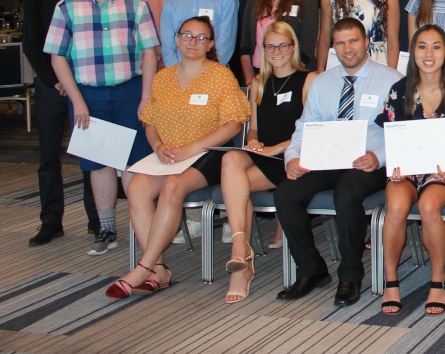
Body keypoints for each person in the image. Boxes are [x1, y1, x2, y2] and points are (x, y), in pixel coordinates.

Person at [104, 16, 249, 299]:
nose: (193, 42)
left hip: (208, 154)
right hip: (170, 155)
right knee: (136, 186)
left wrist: (193, 148)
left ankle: (143, 267)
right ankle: (159, 269)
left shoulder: (221, 75)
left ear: (210, 44)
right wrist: (157, 145)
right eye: (187, 35)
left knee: (173, 186)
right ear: (177, 39)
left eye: (201, 38)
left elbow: (233, 125)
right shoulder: (163, 77)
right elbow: (150, 121)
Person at [276, 18, 403, 306]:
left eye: (353, 41)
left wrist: (379, 156)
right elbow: (304, 127)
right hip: (327, 159)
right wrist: (292, 157)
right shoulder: (322, 82)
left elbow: (402, 130)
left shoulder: (392, 80)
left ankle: (350, 274)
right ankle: (312, 269)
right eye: (340, 43)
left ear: (366, 42)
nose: (348, 49)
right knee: (286, 193)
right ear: (333, 47)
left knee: (346, 194)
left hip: (370, 161)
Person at [45, 0, 159, 256]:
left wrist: (146, 96)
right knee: (99, 163)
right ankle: (106, 229)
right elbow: (57, 57)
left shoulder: (136, 4)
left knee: (136, 161)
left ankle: (141, 226)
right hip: (88, 94)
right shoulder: (67, 7)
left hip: (130, 91)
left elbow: (150, 52)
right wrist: (77, 100)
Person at [375, 24, 445, 315]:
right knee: (396, 206)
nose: (429, 53)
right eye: (422, 47)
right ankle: (390, 280)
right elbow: (390, 136)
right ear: (413, 53)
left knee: (428, 205)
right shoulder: (400, 90)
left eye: (436, 47)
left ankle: (438, 279)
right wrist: (395, 164)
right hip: (407, 170)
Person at [219, 21, 314, 303]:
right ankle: (241, 248)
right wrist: (254, 142)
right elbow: (254, 129)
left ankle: (242, 262)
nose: (277, 52)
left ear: (293, 47)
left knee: (235, 188)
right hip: (265, 157)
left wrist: (275, 149)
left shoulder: (309, 80)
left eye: (283, 45)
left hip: (292, 158)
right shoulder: (258, 82)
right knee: (230, 160)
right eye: (270, 47)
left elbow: (310, 130)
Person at [23, 0, 100, 245]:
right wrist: (56, 80)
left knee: (91, 155)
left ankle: (97, 220)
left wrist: (76, 81)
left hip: (87, 83)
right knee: (49, 157)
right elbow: (31, 43)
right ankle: (51, 221)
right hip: (50, 86)